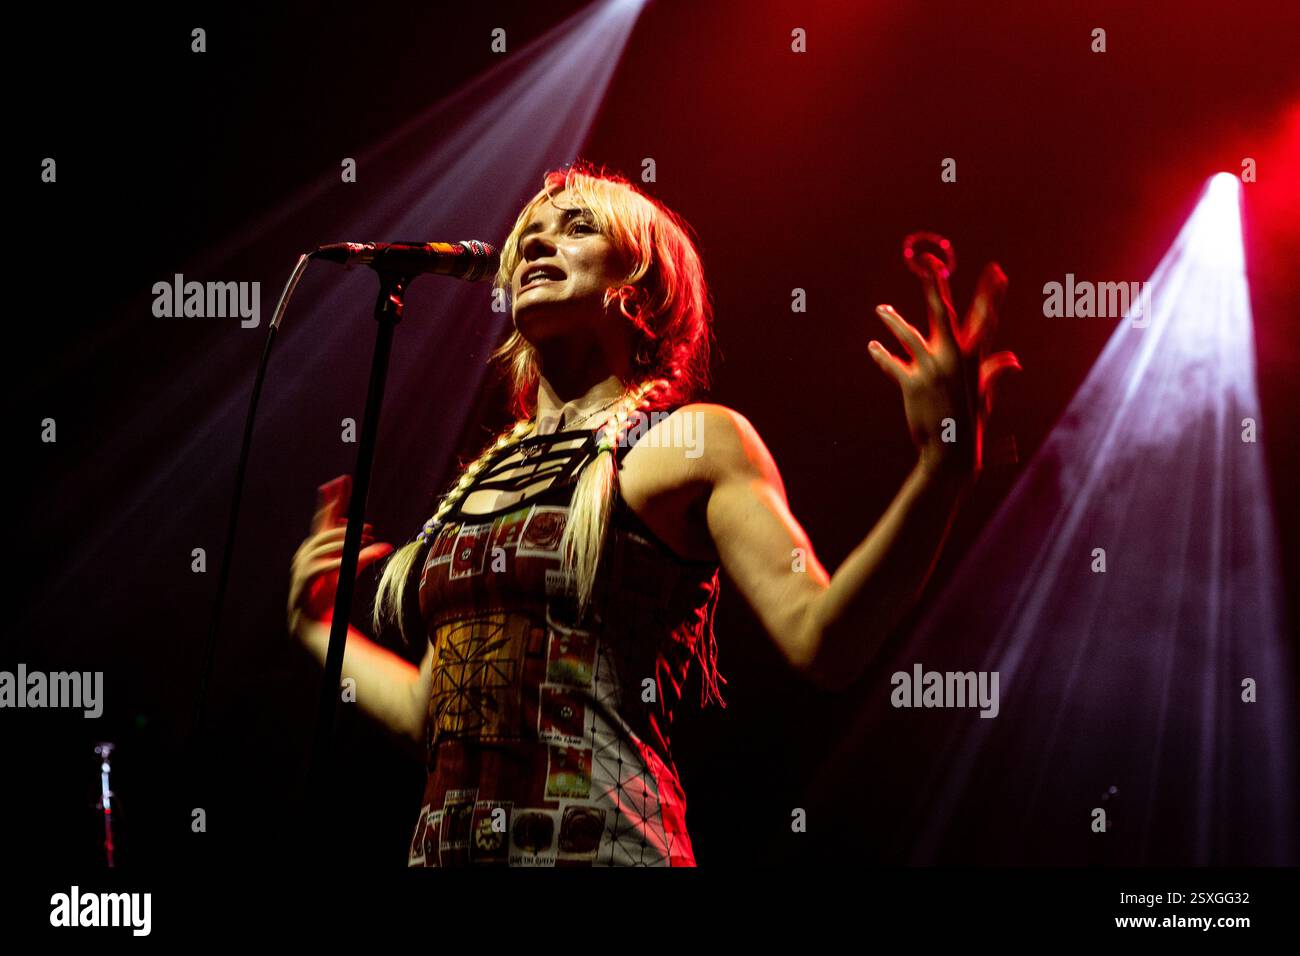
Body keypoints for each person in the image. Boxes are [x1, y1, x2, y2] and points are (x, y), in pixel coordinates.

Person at [286, 159, 1020, 866]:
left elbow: (821, 638)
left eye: (576, 227)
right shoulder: (485, 477)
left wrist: (941, 470)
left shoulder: (693, 442)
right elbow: (431, 712)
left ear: (638, 288)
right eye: (529, 233)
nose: (539, 240)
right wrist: (316, 629)